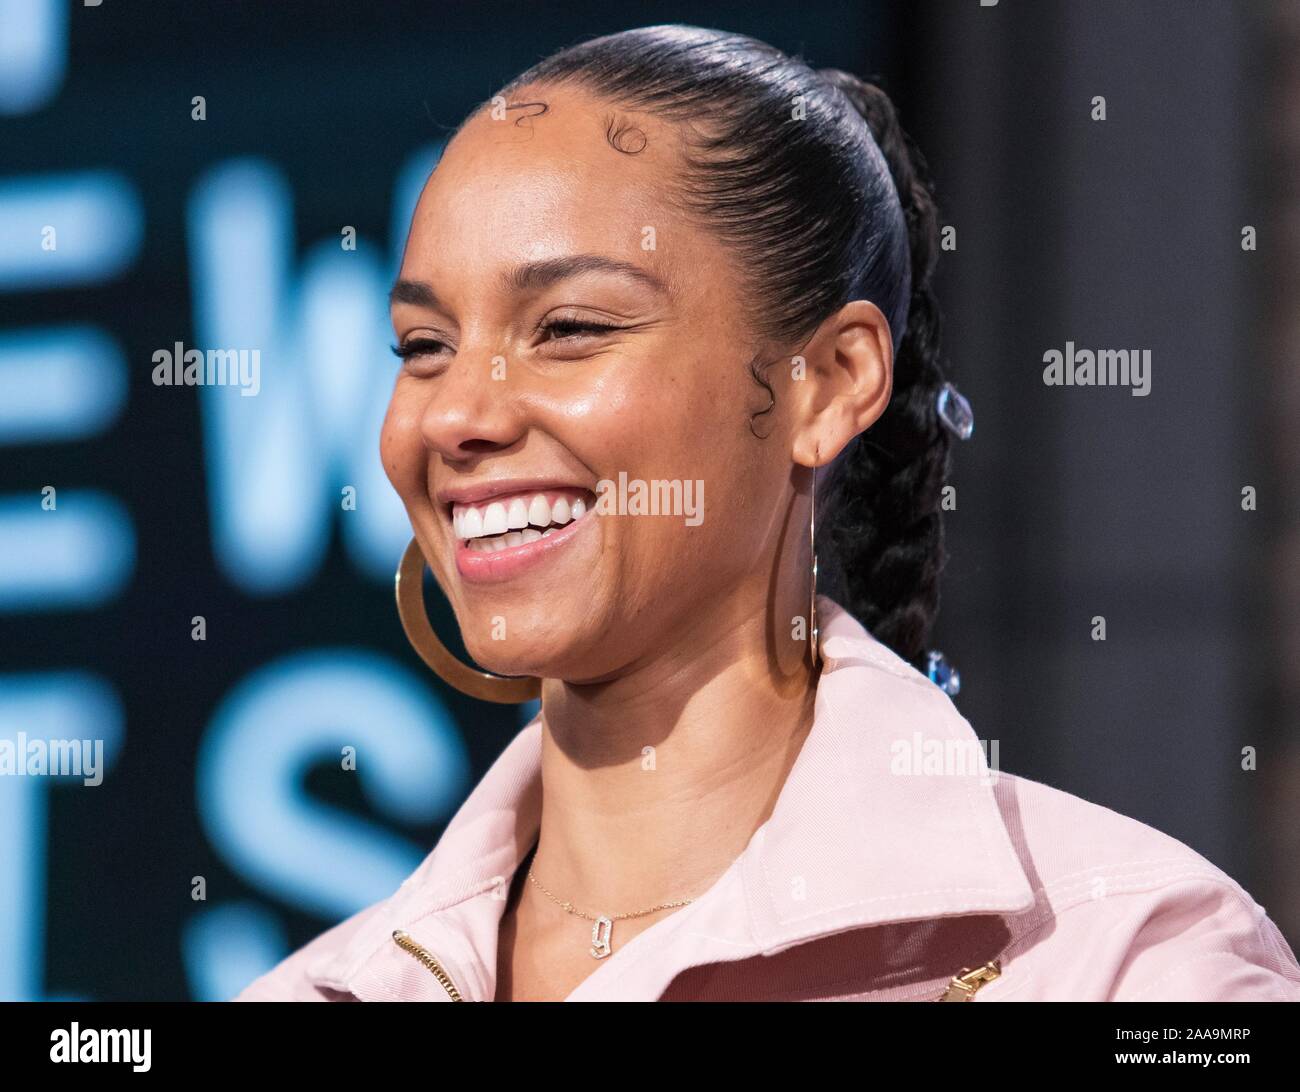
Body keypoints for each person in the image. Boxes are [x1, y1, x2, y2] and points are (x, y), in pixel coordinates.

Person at [233, 24, 1300, 1001]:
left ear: (830, 382)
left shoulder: (1130, 958)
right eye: (423, 348)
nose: (455, 414)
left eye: (567, 327)